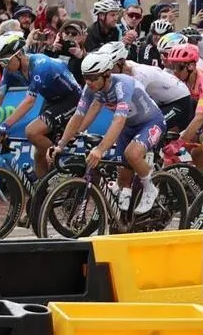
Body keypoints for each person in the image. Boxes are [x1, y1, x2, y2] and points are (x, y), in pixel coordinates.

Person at [51, 52, 165, 214]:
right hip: (129, 126)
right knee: (122, 171)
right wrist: (61, 144)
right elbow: (79, 116)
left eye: (93, 78)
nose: (88, 82)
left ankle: (150, 188)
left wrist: (100, 150)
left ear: (107, 75)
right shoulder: (91, 88)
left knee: (131, 154)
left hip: (151, 121)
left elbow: (118, 121)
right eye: (86, 78)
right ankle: (128, 210)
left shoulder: (122, 85)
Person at [0, 32, 82, 179]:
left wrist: (5, 125)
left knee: (32, 132)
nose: (4, 66)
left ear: (20, 53)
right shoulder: (10, 70)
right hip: (53, 99)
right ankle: (43, 192)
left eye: (6, 61)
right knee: (38, 154)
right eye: (1, 62)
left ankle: (63, 168)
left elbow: (29, 102)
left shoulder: (41, 66)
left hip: (71, 99)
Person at [100, 41, 192, 132]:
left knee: (150, 128)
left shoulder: (140, 75)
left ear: (121, 62)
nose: (107, 71)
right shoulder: (126, 67)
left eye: (110, 67)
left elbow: (136, 110)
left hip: (180, 102)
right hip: (163, 102)